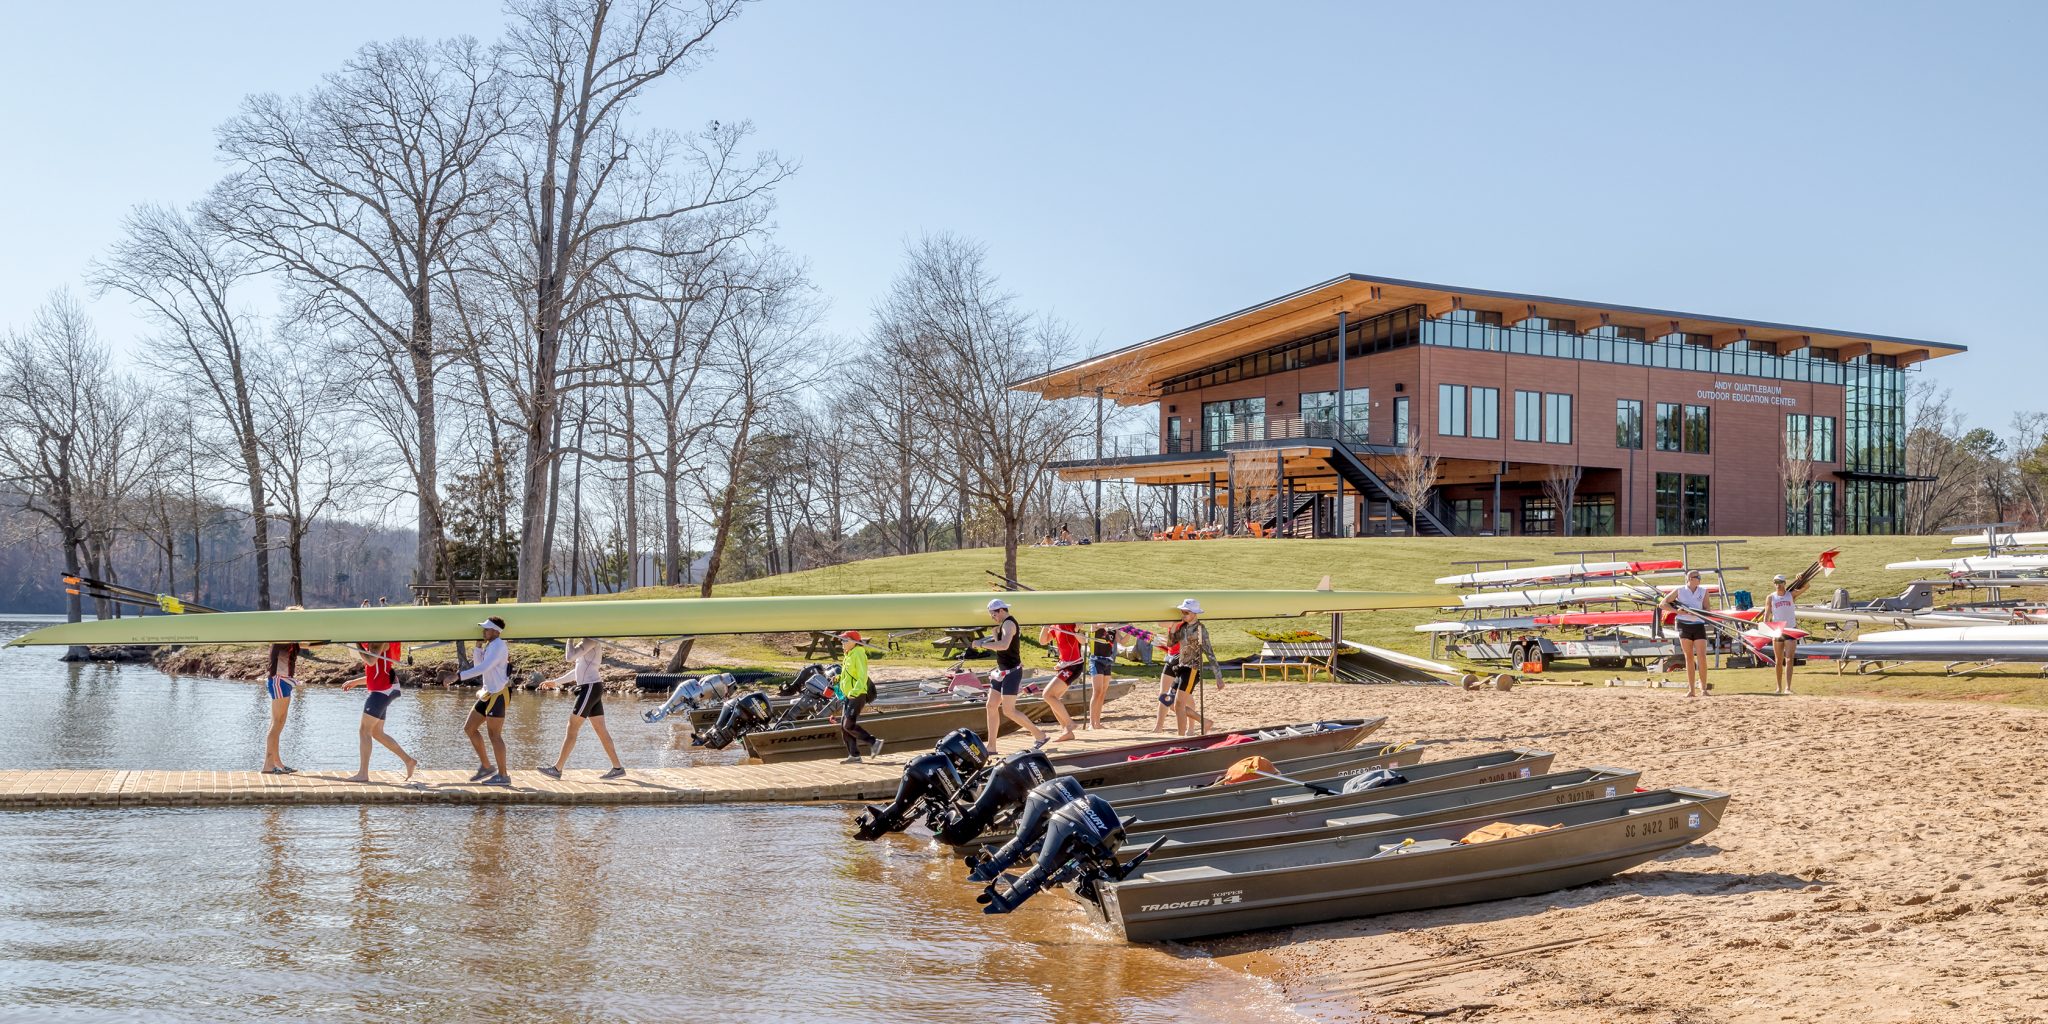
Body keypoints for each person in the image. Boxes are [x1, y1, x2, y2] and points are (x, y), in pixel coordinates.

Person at [538, 638, 626, 780]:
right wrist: (555, 682)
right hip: (591, 687)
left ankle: (557, 769)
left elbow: (569, 657)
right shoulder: (586, 644)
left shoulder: (590, 640)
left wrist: (569, 638)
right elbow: (577, 670)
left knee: (572, 726)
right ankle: (617, 768)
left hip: (590, 688)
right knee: (600, 730)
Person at [974, 598, 1047, 753]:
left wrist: (981, 644)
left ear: (1001, 610)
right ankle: (992, 746)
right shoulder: (1003, 625)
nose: (991, 617)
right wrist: (994, 635)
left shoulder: (1009, 623)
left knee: (1009, 710)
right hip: (1002, 672)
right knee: (991, 705)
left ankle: (1040, 735)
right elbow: (1003, 649)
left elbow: (1004, 645)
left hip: (1012, 673)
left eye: (992, 614)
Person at [341, 641, 417, 782]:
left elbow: (370, 661)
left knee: (364, 731)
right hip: (385, 689)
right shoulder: (374, 642)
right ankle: (409, 761)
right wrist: (355, 682)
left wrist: (356, 643)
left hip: (381, 691)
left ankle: (363, 774)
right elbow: (376, 670)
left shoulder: (379, 641)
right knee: (376, 732)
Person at [459, 616, 513, 784]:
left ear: (496, 631)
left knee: (494, 735)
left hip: (498, 694)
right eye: (484, 629)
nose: (484, 631)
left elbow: (483, 667)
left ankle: (504, 776)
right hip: (488, 693)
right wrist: (477, 646)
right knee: (469, 728)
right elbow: (479, 667)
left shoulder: (499, 646)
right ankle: (487, 766)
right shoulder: (491, 645)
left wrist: (458, 676)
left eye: (487, 629)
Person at [1162, 599, 1217, 734]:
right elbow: (1170, 644)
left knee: (1179, 704)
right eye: (1182, 612)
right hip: (1181, 668)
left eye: (1186, 612)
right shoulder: (1182, 627)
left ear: (1194, 613)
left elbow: (1209, 651)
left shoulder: (1200, 629)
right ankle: (1205, 722)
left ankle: (1181, 737)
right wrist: (1173, 628)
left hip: (1192, 669)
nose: (1183, 615)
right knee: (1170, 703)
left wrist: (1218, 677)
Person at [1659, 570, 1714, 698]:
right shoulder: (1680, 590)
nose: (1699, 579)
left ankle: (1704, 689)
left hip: (1698, 625)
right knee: (1689, 657)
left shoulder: (1703, 591)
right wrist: (1678, 611)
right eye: (1697, 577)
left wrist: (1699, 612)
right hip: (1684, 625)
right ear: (1690, 579)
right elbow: (1663, 604)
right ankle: (1691, 690)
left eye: (1699, 577)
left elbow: (1708, 609)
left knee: (1702, 657)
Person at [834, 631, 883, 764]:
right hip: (849, 695)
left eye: (845, 641)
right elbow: (848, 674)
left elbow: (862, 676)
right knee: (844, 727)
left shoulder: (859, 654)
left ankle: (874, 742)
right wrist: (838, 678)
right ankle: (854, 755)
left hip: (857, 694)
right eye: (842, 641)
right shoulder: (848, 655)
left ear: (854, 642)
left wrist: (854, 692)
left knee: (848, 725)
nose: (842, 643)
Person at [262, 633, 301, 775]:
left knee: (279, 722)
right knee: (276, 723)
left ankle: (277, 762)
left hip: (285, 681)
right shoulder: (282, 636)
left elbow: (307, 643)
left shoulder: (292, 639)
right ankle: (268, 764)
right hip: (279, 680)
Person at [1766, 572, 1808, 695]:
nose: (1778, 585)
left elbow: (1806, 587)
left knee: (1789, 659)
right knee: (1778, 660)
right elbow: (1767, 614)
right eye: (1775, 583)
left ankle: (1788, 687)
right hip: (1778, 630)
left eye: (1780, 583)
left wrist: (1801, 578)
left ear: (1784, 583)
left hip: (1790, 629)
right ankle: (1778, 687)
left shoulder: (1791, 595)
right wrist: (1765, 628)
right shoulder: (1771, 597)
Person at [1039, 623, 1082, 743]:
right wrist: (1045, 625)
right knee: (1053, 698)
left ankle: (1069, 724)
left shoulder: (1069, 623)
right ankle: (1067, 731)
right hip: (1065, 665)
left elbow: (1082, 641)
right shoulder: (1055, 625)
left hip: (1073, 665)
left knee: (1047, 695)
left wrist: (1077, 629)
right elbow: (1043, 641)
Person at [1085, 624, 1117, 730]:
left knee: (1102, 693)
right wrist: (1112, 624)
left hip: (1108, 661)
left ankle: (1097, 723)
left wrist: (1129, 630)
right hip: (1096, 660)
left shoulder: (1114, 629)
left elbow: (1123, 641)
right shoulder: (1095, 625)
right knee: (1097, 691)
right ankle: (1091, 723)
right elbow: (1095, 627)